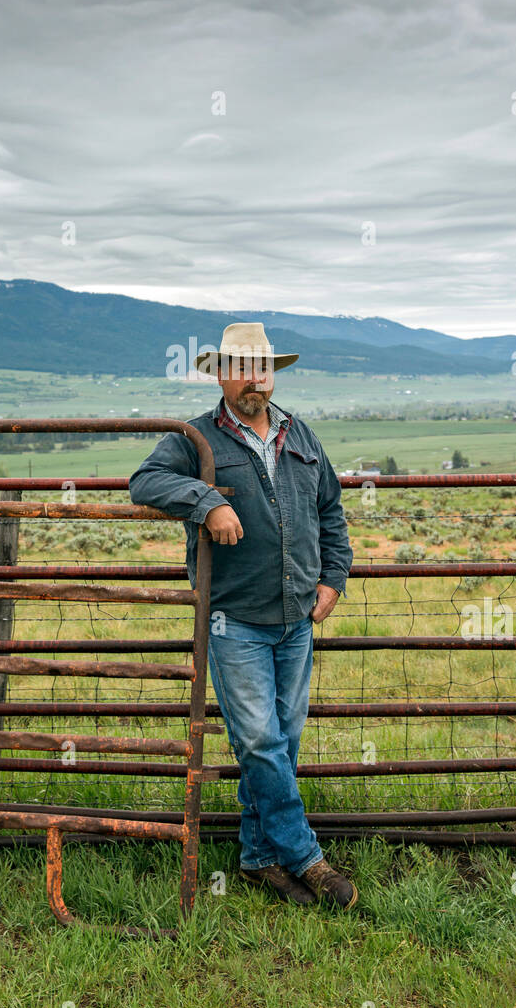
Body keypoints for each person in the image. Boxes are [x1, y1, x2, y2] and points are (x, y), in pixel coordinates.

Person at [129, 322, 357, 909]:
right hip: (234, 618)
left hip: (296, 615)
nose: (254, 380)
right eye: (241, 369)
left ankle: (259, 857)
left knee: (281, 740)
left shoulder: (300, 434)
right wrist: (206, 501)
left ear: (272, 375)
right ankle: (306, 857)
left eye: (262, 369)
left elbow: (331, 510)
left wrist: (333, 578)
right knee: (258, 739)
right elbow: (145, 481)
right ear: (221, 376)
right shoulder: (196, 439)